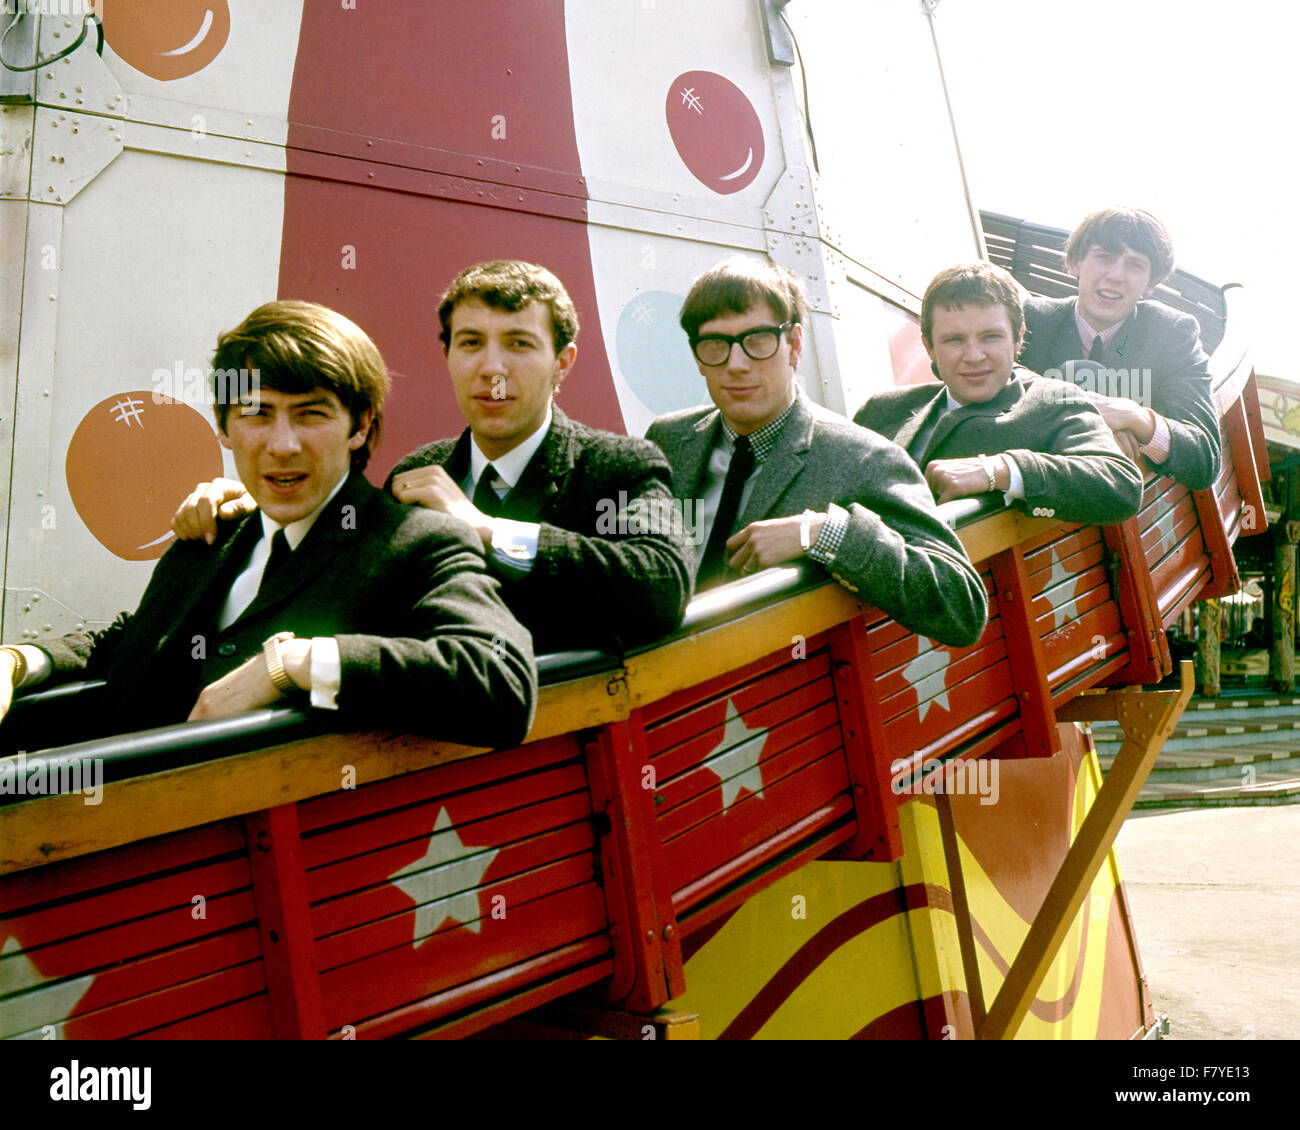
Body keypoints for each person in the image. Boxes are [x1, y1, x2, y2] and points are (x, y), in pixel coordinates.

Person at [0, 301, 536, 746]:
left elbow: (502, 684)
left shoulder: (414, 543)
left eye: (311, 413)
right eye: (257, 413)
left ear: (361, 426)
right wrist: (20, 661)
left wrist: (288, 665)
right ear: (224, 426)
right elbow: (137, 640)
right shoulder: (212, 533)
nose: (282, 445)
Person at [174, 262, 693, 655]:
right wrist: (259, 509)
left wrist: (486, 529)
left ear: (562, 362)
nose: (492, 369)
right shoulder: (419, 471)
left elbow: (660, 586)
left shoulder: (618, 464)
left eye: (518, 344)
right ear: (446, 354)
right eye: (470, 343)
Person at [646, 256, 987, 649]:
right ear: (696, 356)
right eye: (715, 345)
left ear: (793, 344)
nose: (735, 364)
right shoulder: (669, 439)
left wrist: (826, 533)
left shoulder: (862, 457)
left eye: (757, 340)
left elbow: (961, 605)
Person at [854, 262, 1143, 526]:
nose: (974, 355)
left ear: (1018, 338)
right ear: (929, 346)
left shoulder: (1055, 401)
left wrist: (999, 470)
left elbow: (1120, 485)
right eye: (954, 340)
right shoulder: (881, 411)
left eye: (990, 337)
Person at [1017, 206, 1220, 490]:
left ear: (1151, 283)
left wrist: (1135, 418)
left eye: (1135, 265)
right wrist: (1091, 419)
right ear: (1075, 262)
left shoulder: (1172, 333)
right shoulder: (1033, 319)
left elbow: (1204, 458)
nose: (1116, 275)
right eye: (1104, 257)